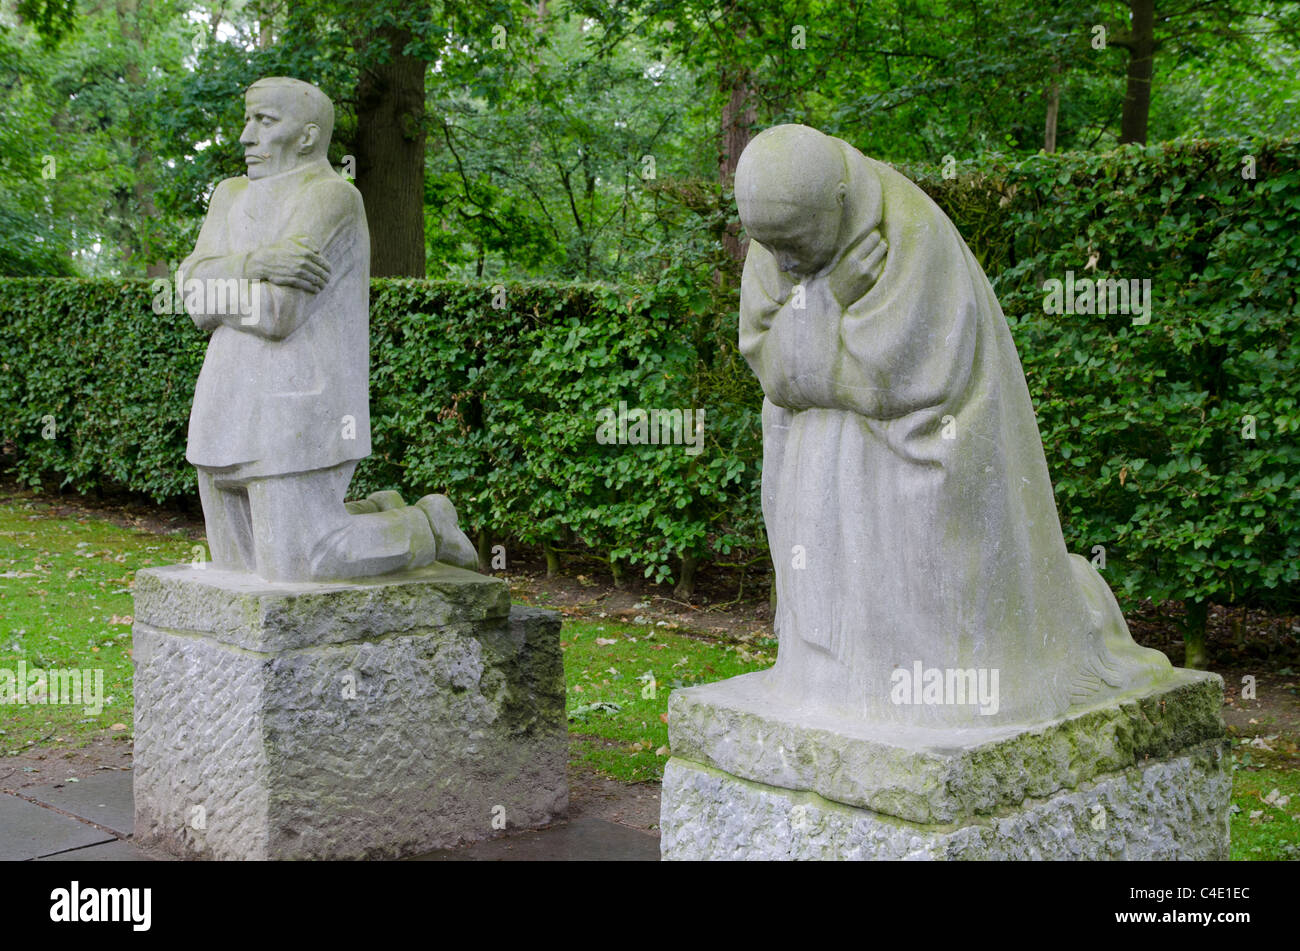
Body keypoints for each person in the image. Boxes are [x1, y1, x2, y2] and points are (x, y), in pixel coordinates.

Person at [735, 124, 1170, 727]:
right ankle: (837, 678)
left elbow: (900, 383)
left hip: (914, 454)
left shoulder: (910, 231)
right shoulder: (775, 241)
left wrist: (814, 337)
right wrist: (832, 298)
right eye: (769, 243)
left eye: (795, 241)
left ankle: (906, 682)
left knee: (930, 602)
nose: (782, 261)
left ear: (837, 199)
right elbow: (772, 369)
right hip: (816, 465)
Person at [181, 76, 476, 581]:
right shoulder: (228, 196)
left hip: (294, 409)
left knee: (299, 562)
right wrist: (256, 261)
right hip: (222, 407)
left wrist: (218, 280)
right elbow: (190, 296)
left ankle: (425, 524)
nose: (245, 136)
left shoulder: (330, 199)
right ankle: (377, 508)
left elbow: (277, 313)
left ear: (307, 136)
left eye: (264, 121)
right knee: (239, 566)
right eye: (247, 119)